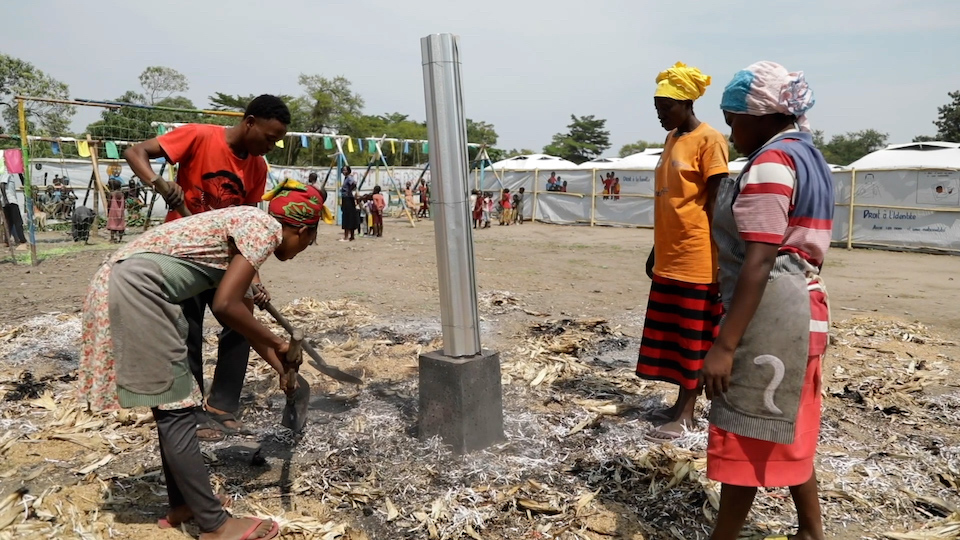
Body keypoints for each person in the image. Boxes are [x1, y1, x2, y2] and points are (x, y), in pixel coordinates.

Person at [80, 181, 324, 540]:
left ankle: (185, 505)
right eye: (310, 241)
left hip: (129, 286)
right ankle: (215, 525)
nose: (304, 248)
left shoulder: (245, 230)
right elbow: (224, 306)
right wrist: (280, 342)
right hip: (139, 291)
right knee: (177, 410)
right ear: (302, 230)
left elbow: (243, 319)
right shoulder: (264, 230)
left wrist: (283, 366)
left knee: (171, 407)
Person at [703, 61, 832, 540]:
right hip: (806, 308)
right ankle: (811, 531)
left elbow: (759, 260)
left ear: (760, 114)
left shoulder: (772, 163)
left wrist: (725, 346)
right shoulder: (810, 156)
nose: (731, 132)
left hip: (771, 314)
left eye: (733, 120)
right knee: (786, 423)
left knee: (746, 429)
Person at [124, 94, 290, 441]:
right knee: (189, 330)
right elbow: (134, 152)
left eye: (277, 141)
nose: (271, 146)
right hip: (184, 253)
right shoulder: (199, 136)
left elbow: (247, 227)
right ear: (249, 122)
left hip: (225, 259)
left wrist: (255, 277)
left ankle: (221, 406)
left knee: (240, 324)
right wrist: (159, 184)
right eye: (269, 137)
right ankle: (193, 413)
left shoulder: (258, 168)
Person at [636, 62, 729, 441]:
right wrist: (656, 249)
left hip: (697, 256)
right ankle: (678, 406)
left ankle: (687, 414)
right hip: (670, 255)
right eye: (657, 107)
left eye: (666, 107)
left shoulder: (711, 141)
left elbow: (717, 203)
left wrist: (723, 258)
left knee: (693, 337)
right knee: (674, 335)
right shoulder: (672, 139)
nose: (660, 114)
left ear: (688, 103)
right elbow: (671, 201)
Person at [339, 165, 359, 241]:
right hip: (347, 199)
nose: (344, 171)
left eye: (345, 170)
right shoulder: (346, 178)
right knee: (349, 217)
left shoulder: (349, 178)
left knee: (347, 217)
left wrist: (350, 191)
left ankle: (347, 236)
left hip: (348, 199)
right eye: (343, 170)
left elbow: (353, 184)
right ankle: (350, 236)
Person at [107, 177, 126, 243]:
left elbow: (109, 203)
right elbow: (124, 202)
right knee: (120, 223)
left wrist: (108, 210)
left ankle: (112, 238)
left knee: (113, 224)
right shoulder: (122, 194)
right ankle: (120, 239)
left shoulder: (112, 194)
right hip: (120, 211)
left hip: (113, 211)